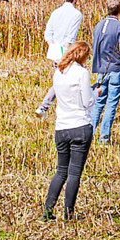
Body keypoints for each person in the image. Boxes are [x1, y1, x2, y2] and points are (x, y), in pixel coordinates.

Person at [44, 41, 96, 221]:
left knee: (61, 171)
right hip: (80, 126)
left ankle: (48, 211)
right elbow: (87, 102)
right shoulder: (82, 73)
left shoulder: (58, 72)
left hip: (61, 128)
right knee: (74, 173)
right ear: (82, 56)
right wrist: (96, 92)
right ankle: (68, 213)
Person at [89, 0, 120, 144]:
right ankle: (104, 137)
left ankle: (90, 133)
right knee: (111, 104)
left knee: (98, 102)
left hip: (102, 69)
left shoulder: (98, 26)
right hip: (116, 69)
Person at [36, 0, 83, 118]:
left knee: (62, 80)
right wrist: (64, 55)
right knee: (72, 80)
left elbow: (48, 34)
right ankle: (44, 107)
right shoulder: (76, 14)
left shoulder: (56, 12)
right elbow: (70, 38)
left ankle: (46, 108)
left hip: (55, 51)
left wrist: (54, 50)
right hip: (66, 52)